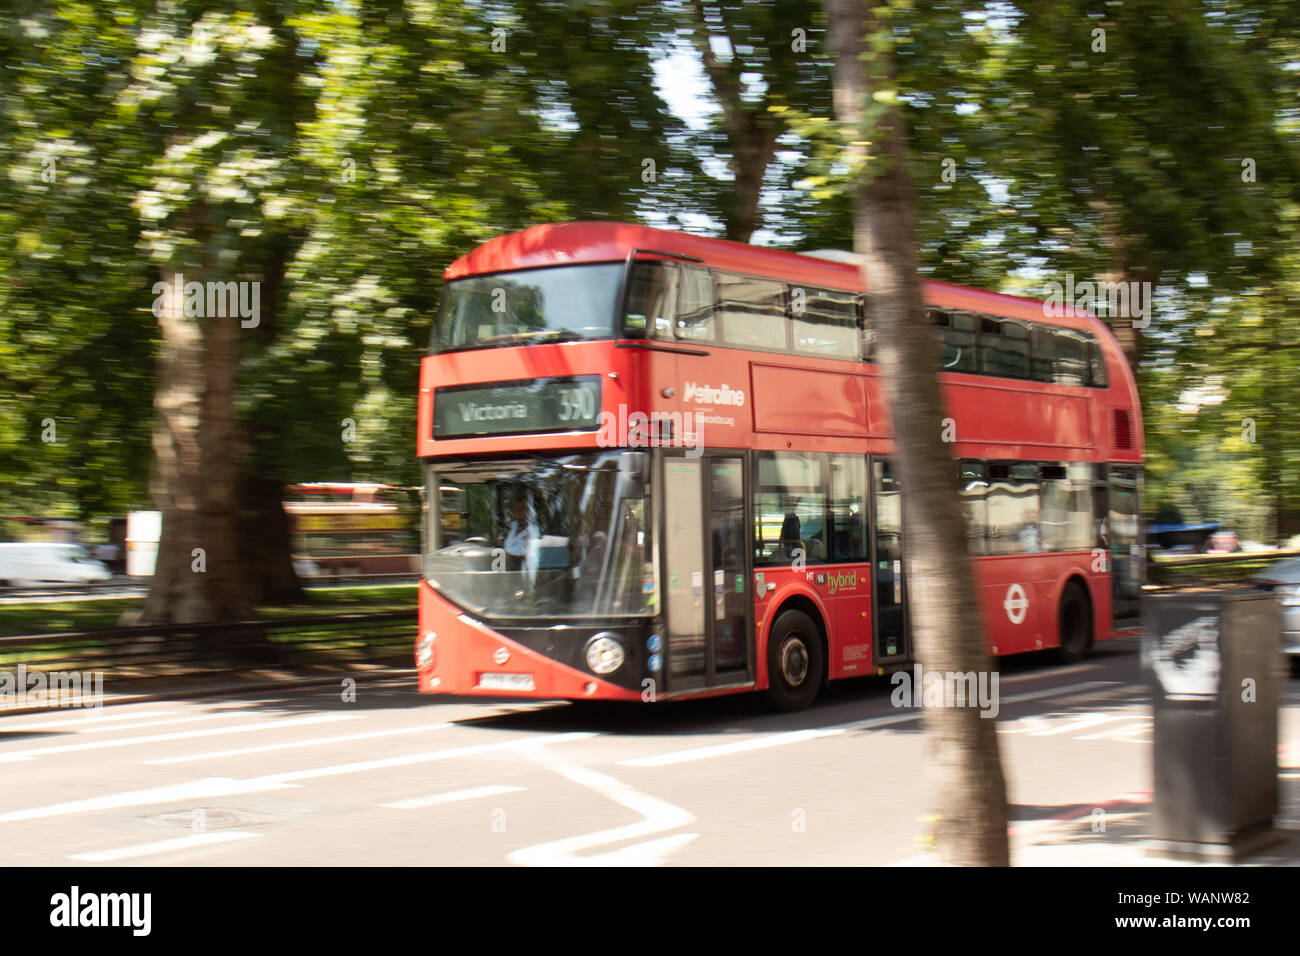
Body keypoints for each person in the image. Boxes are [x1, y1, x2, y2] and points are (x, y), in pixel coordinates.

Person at [500, 494, 538, 573]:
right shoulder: (510, 527)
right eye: (516, 509)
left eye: (522, 509)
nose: (519, 512)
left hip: (524, 571)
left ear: (529, 510)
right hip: (505, 569)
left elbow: (530, 554)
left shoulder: (533, 530)